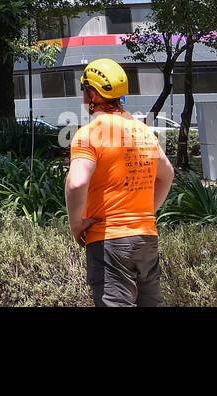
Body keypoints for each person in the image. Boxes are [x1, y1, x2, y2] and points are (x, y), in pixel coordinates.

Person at [65, 58, 174, 308]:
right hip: (146, 237)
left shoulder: (89, 134)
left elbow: (76, 183)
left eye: (84, 89)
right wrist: (146, 213)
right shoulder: (143, 131)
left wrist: (77, 225)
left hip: (109, 241)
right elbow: (167, 175)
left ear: (92, 94)